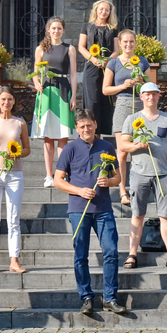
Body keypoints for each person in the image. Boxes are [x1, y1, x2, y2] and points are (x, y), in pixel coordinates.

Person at [54, 109, 127, 315]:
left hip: (103, 209)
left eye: (89, 125)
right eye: (81, 126)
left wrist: (109, 181)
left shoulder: (107, 146)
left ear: (95, 124)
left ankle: (110, 298)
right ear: (76, 128)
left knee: (111, 252)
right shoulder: (70, 148)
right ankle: (86, 297)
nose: (86, 129)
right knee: (80, 254)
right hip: (78, 209)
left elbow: (118, 177)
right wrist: (79, 191)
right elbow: (57, 180)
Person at [119, 82, 167, 269]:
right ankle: (132, 254)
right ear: (141, 97)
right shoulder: (132, 119)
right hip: (139, 172)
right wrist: (137, 146)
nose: (151, 97)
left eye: (154, 94)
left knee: (166, 215)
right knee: (137, 214)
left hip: (163, 173)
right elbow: (123, 146)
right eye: (147, 94)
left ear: (158, 96)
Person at [0, 86, 31, 274]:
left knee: (13, 219)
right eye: (3, 99)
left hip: (14, 175)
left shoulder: (20, 123)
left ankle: (14, 260)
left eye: (10, 99)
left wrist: (16, 153)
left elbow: (27, 149)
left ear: (14, 101)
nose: (6, 103)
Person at [103, 29, 151, 205]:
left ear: (135, 43)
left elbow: (151, 85)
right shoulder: (114, 63)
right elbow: (106, 89)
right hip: (122, 105)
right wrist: (123, 86)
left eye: (132, 42)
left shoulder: (142, 61)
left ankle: (136, 188)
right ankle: (122, 190)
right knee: (122, 152)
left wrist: (142, 82)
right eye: (125, 42)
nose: (129, 45)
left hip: (140, 105)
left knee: (138, 150)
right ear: (120, 43)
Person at [31, 16, 77, 188]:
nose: (56, 31)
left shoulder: (69, 49)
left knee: (63, 136)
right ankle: (48, 176)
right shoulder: (41, 49)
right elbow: (35, 72)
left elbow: (73, 74)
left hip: (64, 90)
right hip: (47, 91)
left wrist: (73, 96)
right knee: (48, 137)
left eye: (59, 28)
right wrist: (36, 84)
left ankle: (61, 173)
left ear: (63, 30)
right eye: (53, 28)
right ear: (48, 30)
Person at [78, 0, 119, 136]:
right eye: (101, 9)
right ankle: (90, 135)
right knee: (92, 101)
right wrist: (93, 59)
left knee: (105, 101)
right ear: (96, 10)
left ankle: (101, 136)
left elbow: (116, 50)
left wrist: (108, 60)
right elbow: (81, 47)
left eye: (107, 10)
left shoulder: (113, 28)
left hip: (107, 68)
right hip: (91, 67)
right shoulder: (87, 26)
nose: (103, 12)